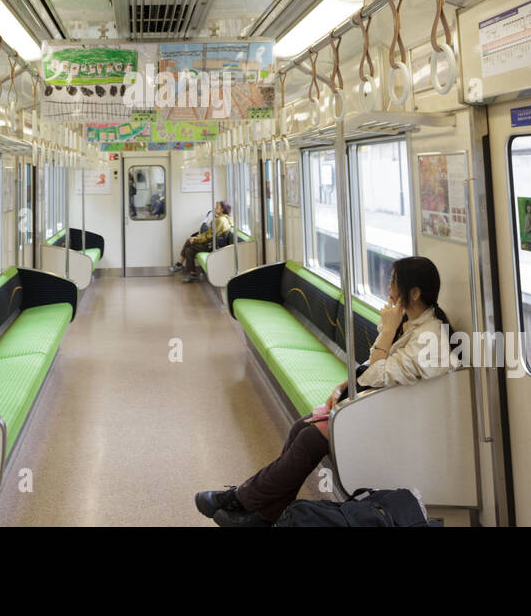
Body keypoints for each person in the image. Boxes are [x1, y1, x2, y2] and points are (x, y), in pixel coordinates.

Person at [195, 256, 452, 527]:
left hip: (394, 422)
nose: (388, 290)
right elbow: (370, 369)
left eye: (393, 283)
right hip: (374, 406)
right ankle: (262, 514)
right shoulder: (406, 323)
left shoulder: (429, 338)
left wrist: (387, 332)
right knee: (300, 428)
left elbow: (377, 375)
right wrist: (343, 386)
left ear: (414, 293)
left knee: (309, 441)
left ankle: (241, 499)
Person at [172, 201, 232, 282]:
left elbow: (209, 236)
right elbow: (208, 234)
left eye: (217, 207)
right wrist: (197, 238)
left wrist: (196, 239)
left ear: (222, 210)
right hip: (213, 243)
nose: (215, 208)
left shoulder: (219, 220)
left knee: (188, 241)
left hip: (213, 246)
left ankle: (179, 263)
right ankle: (192, 274)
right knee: (188, 250)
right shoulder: (226, 219)